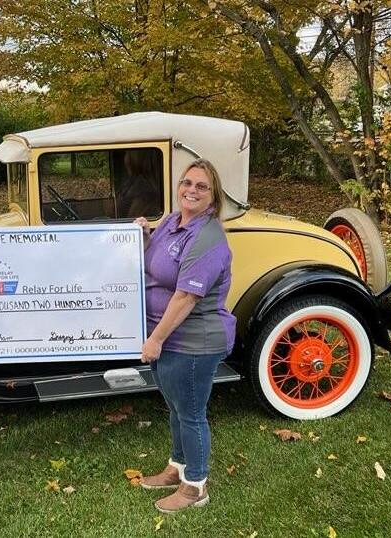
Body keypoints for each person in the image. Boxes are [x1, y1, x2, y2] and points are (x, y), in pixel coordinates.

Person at [133, 158, 235, 513]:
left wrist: (156, 339)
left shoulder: (208, 237)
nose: (191, 190)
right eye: (186, 183)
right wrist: (146, 237)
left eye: (201, 186)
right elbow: (156, 264)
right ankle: (177, 468)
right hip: (168, 336)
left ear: (213, 195)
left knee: (191, 412)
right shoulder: (172, 222)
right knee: (176, 407)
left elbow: (186, 296)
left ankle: (196, 486)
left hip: (192, 341)